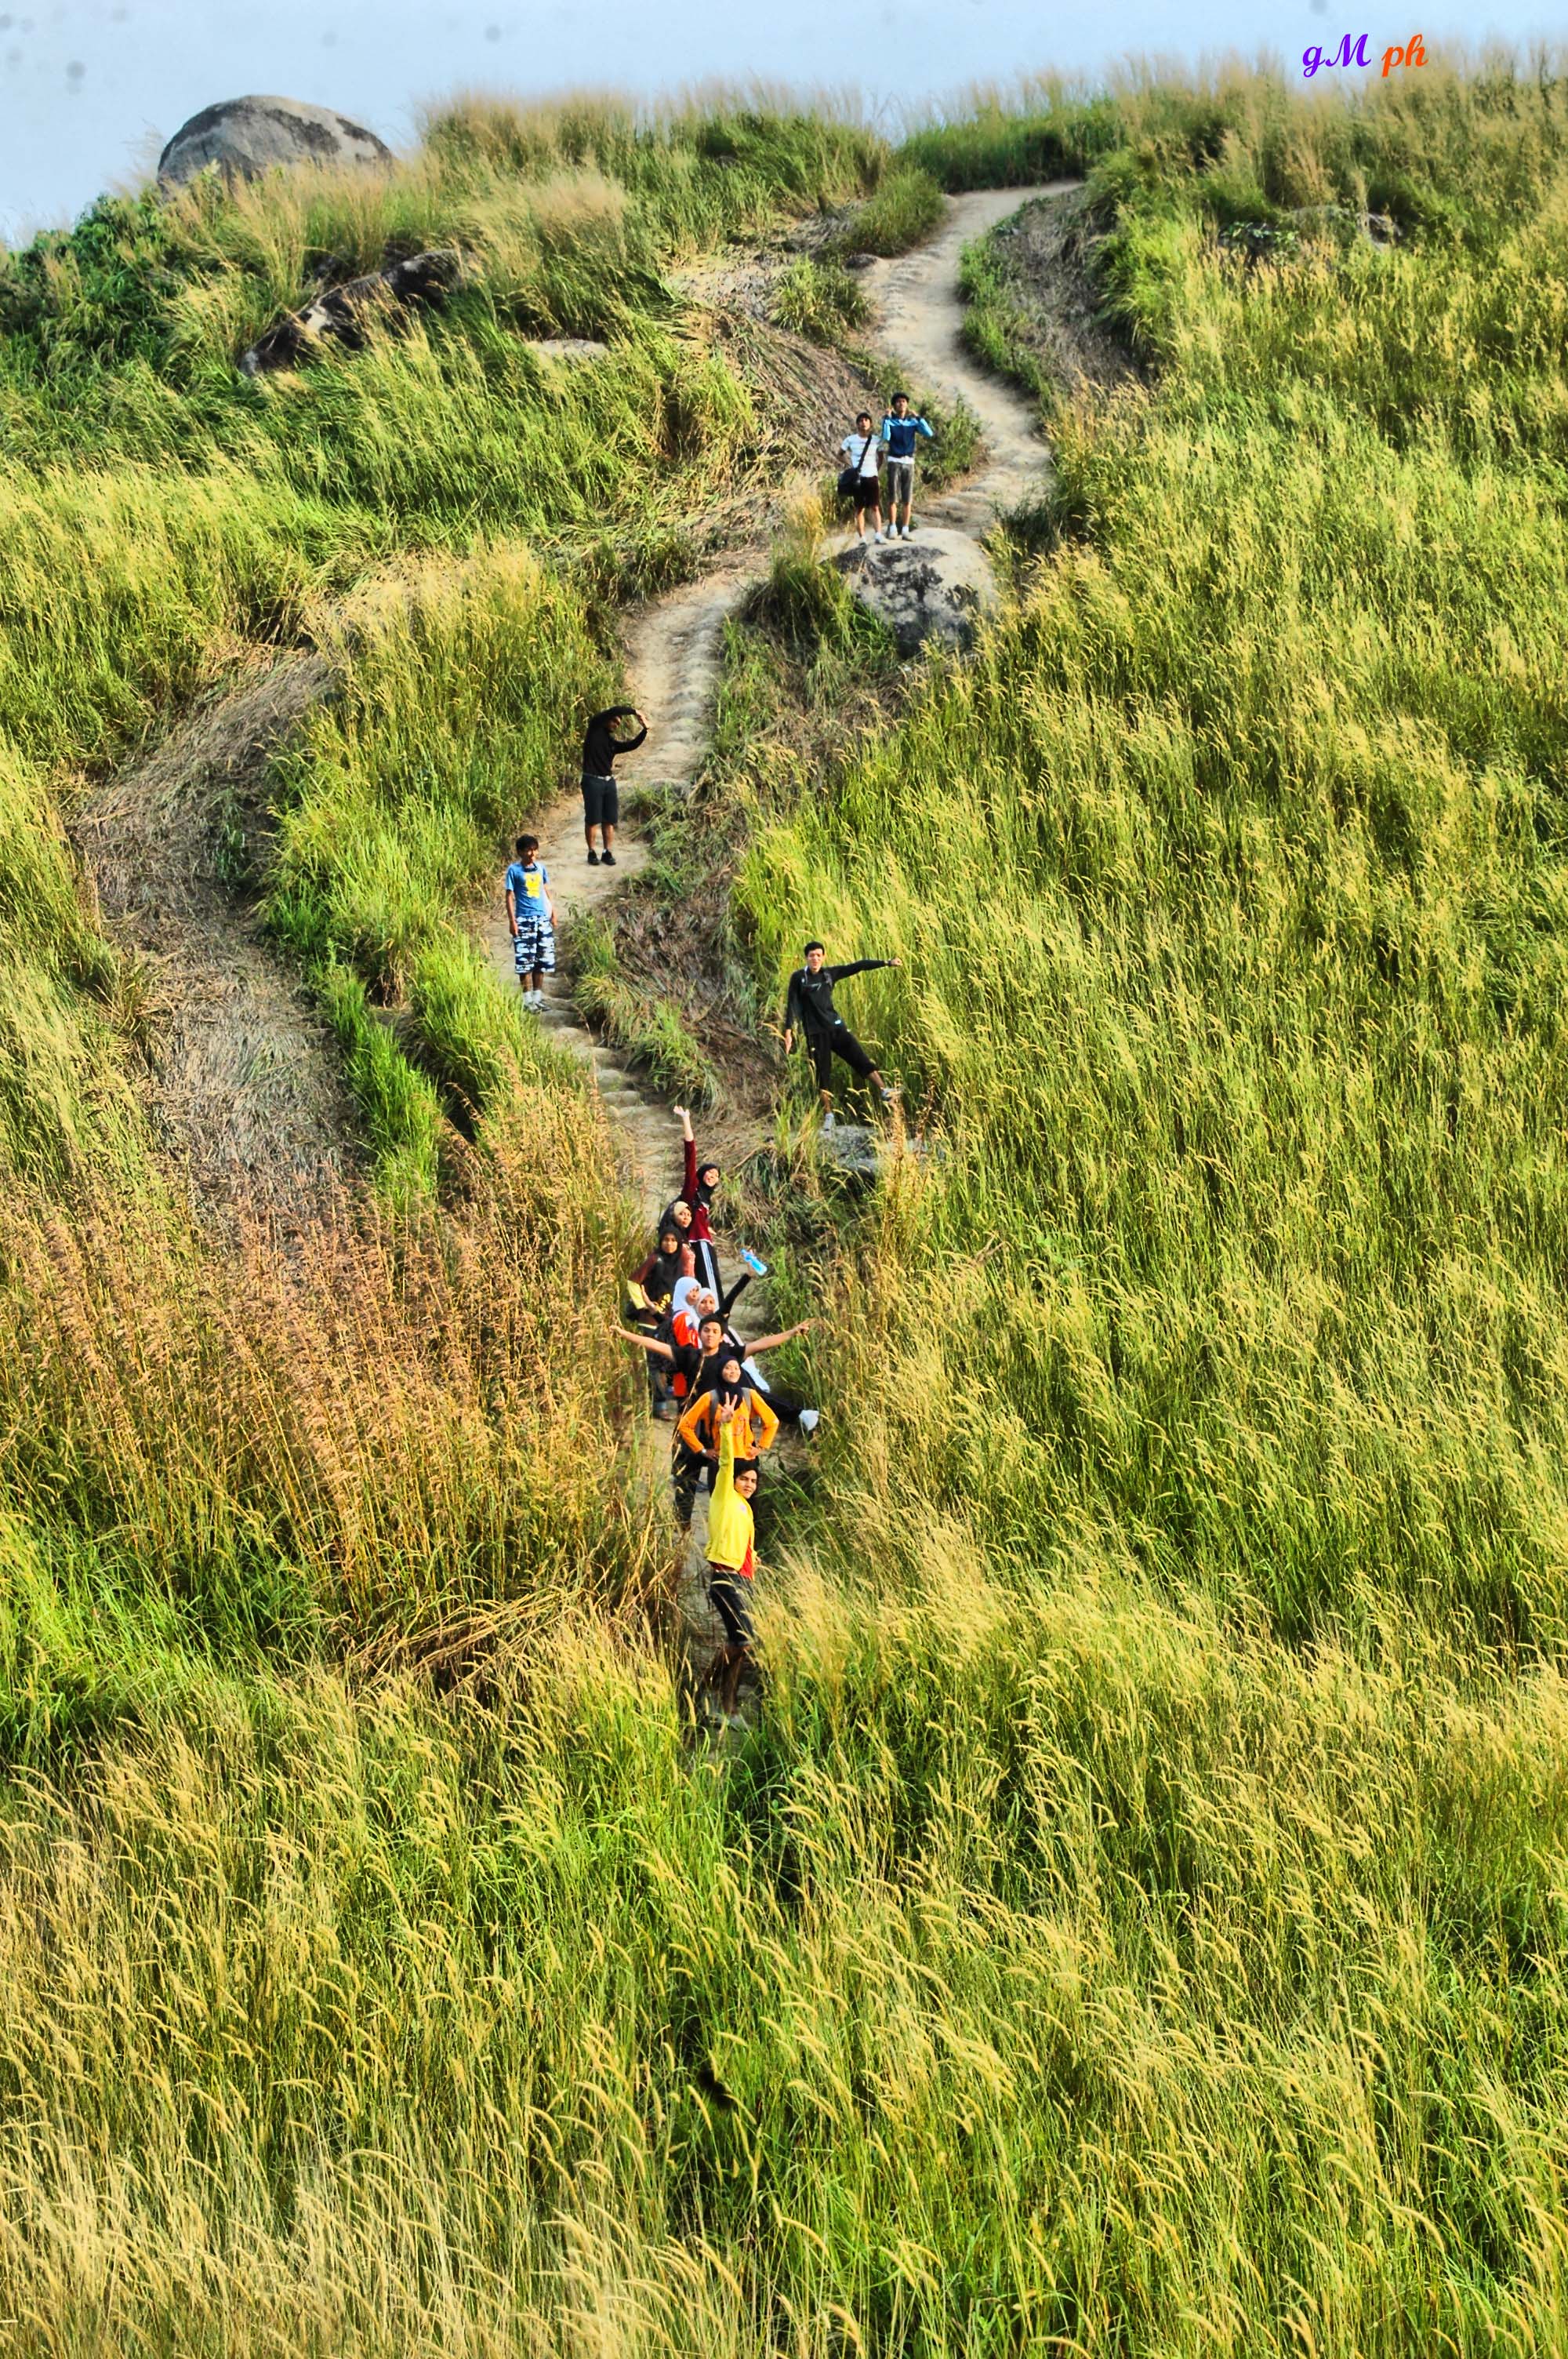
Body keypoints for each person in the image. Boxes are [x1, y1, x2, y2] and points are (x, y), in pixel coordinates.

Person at [782, 942, 903, 1132]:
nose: (815, 959)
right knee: (822, 1076)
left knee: (860, 1058)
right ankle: (829, 1116)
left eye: (819, 955)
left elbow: (858, 966)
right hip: (816, 1035)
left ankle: (884, 1091)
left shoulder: (830, 974)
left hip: (836, 1029)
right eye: (812, 955)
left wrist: (886, 963)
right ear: (806, 958)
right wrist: (788, 1032)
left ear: (824, 957)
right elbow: (791, 1004)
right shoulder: (799, 978)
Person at [703, 1406, 760, 1719]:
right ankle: (705, 1687)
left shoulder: (745, 1510)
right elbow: (726, 1463)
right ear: (734, 1480)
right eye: (744, 1479)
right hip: (725, 1580)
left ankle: (727, 1706)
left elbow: (743, 1543)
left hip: (742, 1580)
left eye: (753, 1480)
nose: (749, 1484)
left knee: (739, 1647)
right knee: (744, 1641)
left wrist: (753, 1557)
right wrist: (725, 1428)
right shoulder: (725, 1495)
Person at [677, 1352, 781, 1468]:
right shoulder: (710, 1398)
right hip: (720, 1461)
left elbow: (772, 1422)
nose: (733, 1371)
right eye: (728, 1368)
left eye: (737, 1368)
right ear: (720, 1372)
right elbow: (684, 1425)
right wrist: (702, 1450)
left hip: (746, 1460)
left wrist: (761, 1447)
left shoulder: (749, 1395)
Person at [580, 703, 648, 868]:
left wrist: (645, 730)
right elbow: (615, 710)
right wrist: (635, 711)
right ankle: (591, 852)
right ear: (607, 720)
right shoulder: (595, 728)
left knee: (609, 820)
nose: (616, 725)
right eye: (615, 722)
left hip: (608, 782)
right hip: (592, 780)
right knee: (592, 819)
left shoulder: (610, 742)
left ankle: (607, 852)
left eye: (619, 723)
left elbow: (630, 745)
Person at [673, 1107, 724, 1302]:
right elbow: (690, 1156)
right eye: (710, 1172)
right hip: (699, 1244)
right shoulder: (692, 1189)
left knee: (702, 1285)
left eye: (717, 1175)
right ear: (701, 1174)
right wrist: (686, 1119)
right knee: (710, 1286)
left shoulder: (706, 1198)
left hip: (698, 1244)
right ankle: (717, 1317)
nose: (713, 1176)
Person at [504, 834, 557, 1011]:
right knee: (525, 961)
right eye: (528, 850)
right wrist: (513, 922)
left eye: (534, 849)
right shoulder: (514, 871)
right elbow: (509, 896)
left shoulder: (540, 869)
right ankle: (527, 1002)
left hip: (542, 919)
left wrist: (553, 913)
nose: (532, 853)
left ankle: (537, 999)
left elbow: (545, 890)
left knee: (541, 961)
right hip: (524, 920)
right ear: (520, 852)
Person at [880, 392, 935, 540]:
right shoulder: (890, 422)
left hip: (908, 461)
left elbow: (929, 433)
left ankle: (905, 529)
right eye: (898, 402)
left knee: (907, 498)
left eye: (904, 401)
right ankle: (892, 527)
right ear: (894, 405)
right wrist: (886, 418)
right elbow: (886, 437)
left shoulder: (912, 422)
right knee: (893, 497)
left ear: (907, 404)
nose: (901, 404)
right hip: (894, 460)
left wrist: (919, 418)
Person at [839, 411, 884, 546]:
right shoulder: (850, 439)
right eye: (861, 420)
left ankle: (878, 535)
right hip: (857, 478)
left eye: (866, 420)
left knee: (875, 507)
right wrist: (849, 465)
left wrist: (876, 469)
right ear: (857, 424)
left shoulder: (876, 440)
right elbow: (840, 453)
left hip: (872, 476)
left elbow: (881, 457)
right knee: (859, 508)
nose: (863, 422)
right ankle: (862, 538)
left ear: (870, 423)